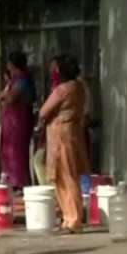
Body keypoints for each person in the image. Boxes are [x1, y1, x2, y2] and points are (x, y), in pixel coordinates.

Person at [37, 54, 89, 232]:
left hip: (61, 136)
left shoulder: (63, 89)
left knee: (66, 176)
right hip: (72, 133)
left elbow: (44, 111)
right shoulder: (80, 87)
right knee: (63, 176)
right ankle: (68, 217)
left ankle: (73, 218)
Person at [0, 52, 35, 188]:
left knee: (17, 152)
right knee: (10, 150)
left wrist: (5, 95)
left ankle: (20, 182)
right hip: (12, 121)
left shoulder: (22, 80)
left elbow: (9, 98)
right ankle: (12, 180)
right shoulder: (14, 80)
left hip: (18, 121)